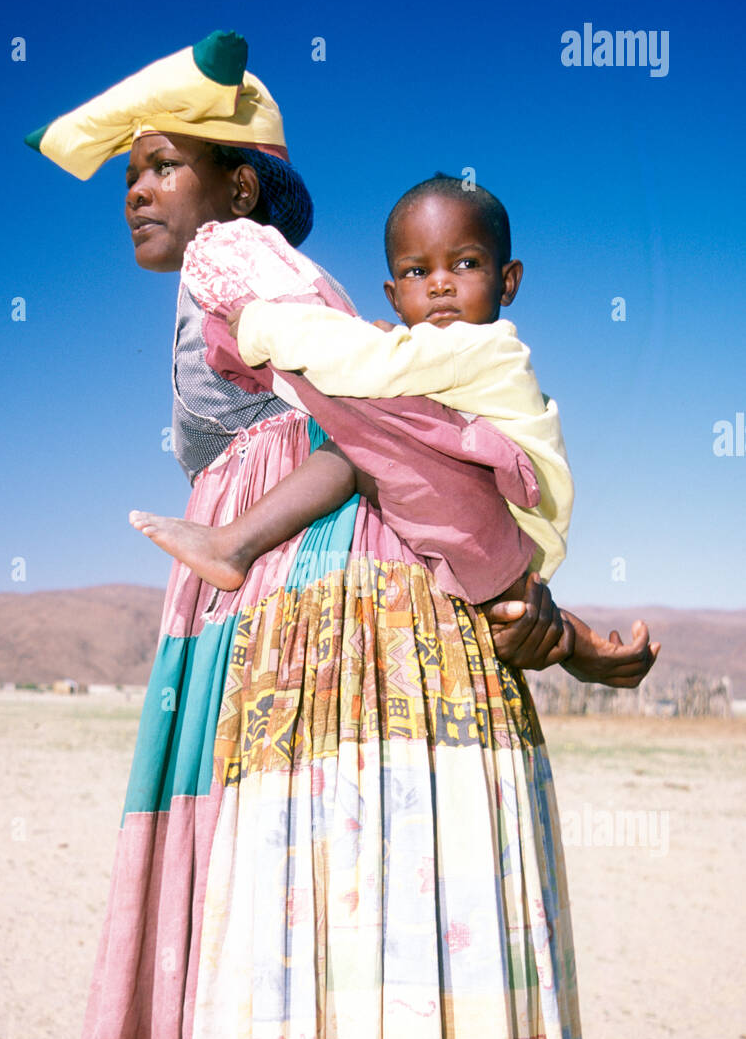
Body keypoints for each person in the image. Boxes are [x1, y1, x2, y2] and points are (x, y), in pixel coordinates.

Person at [26, 28, 651, 1039]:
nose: (140, 193)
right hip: (306, 563)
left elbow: (378, 415)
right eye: (128, 174)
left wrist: (541, 611)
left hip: (329, 583)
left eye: (160, 165)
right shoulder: (265, 281)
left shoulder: (237, 255)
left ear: (239, 182)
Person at [129, 178, 658, 687]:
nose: (441, 283)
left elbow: (369, 363)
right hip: (505, 516)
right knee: (358, 442)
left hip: (511, 512)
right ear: (393, 294)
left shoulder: (484, 347)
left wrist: (257, 324)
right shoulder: (439, 358)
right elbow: (395, 370)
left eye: (466, 263)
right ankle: (231, 545)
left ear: (509, 280)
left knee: (365, 436)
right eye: (415, 272)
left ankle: (579, 642)